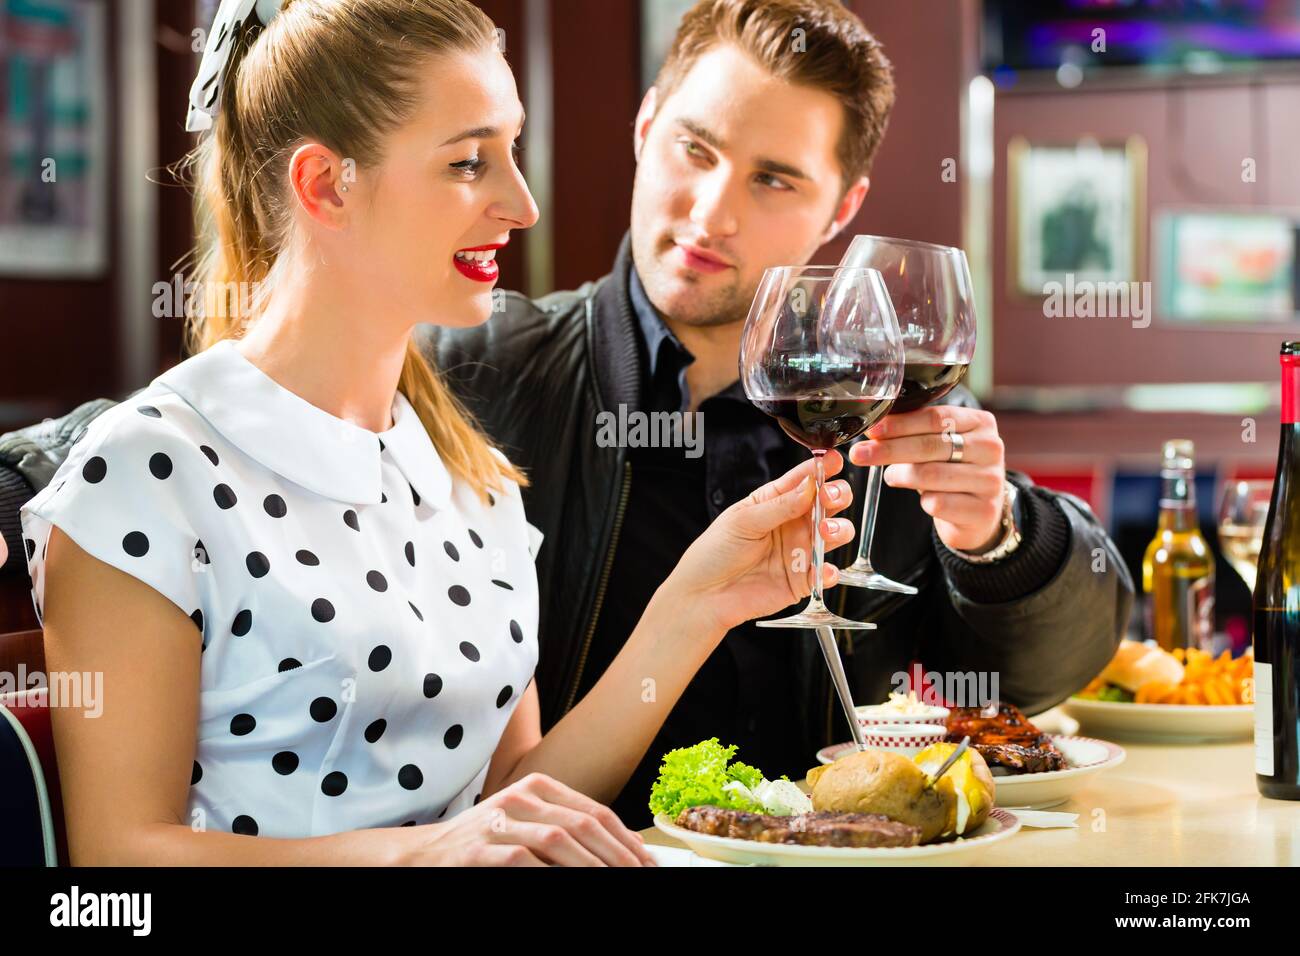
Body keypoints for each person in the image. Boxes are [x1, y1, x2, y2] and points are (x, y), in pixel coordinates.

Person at [15, 0, 859, 866]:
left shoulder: (470, 470)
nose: (522, 204)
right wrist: (420, 856)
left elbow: (509, 805)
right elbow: (120, 860)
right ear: (324, 185)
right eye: (468, 162)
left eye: (512, 151)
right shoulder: (147, 474)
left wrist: (697, 605)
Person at [423, 0, 1134, 827]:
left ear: (842, 208)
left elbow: (1039, 677)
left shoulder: (887, 413)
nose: (712, 213)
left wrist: (996, 537)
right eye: (695, 149)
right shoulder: (473, 375)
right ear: (645, 127)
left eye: (772, 178)